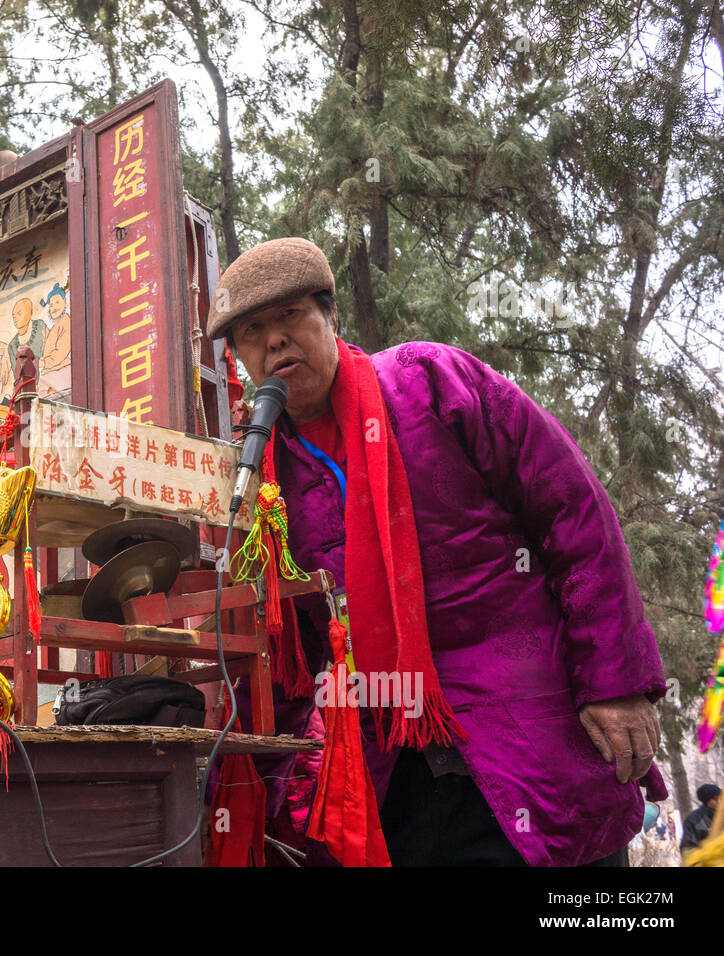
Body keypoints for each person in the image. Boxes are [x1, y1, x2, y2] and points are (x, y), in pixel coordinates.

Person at [208, 236, 668, 867]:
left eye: (291, 317)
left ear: (332, 317)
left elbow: (573, 510)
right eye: (253, 331)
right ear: (240, 362)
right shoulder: (266, 485)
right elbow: (289, 659)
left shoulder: (428, 380)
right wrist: (265, 789)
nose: (275, 342)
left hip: (531, 735)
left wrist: (614, 683)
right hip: (398, 774)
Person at [7, 297, 47, 372]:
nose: (15, 318)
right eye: (13, 315)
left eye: (19, 313)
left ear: (29, 312)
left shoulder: (40, 326)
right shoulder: (12, 346)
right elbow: (17, 373)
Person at [680, 784, 720, 857]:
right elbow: (688, 848)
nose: (719, 802)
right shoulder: (694, 819)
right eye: (715, 799)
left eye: (720, 798)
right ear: (706, 801)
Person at [40, 283, 71, 374]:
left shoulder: (66, 322)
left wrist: (42, 363)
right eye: (51, 305)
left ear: (64, 302)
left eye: (57, 302)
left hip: (60, 369)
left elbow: (59, 354)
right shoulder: (54, 325)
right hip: (51, 370)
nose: (54, 308)